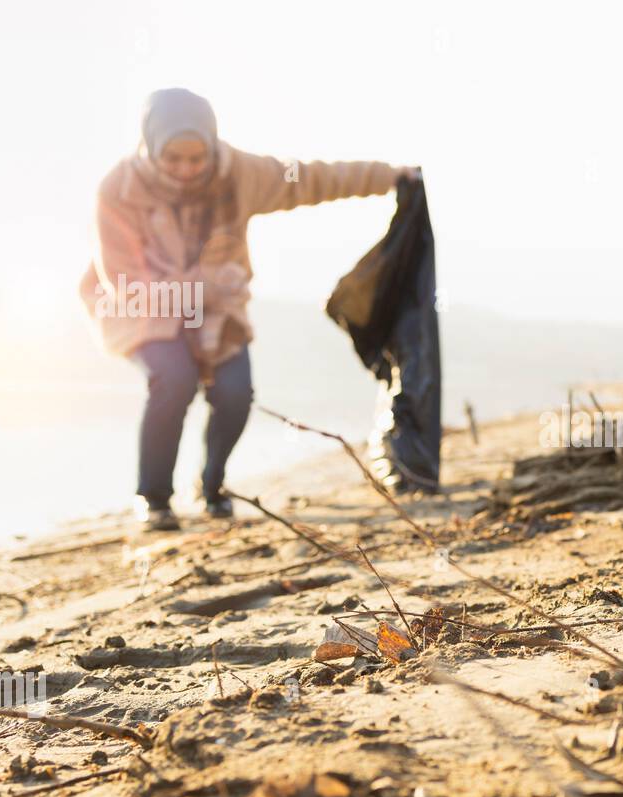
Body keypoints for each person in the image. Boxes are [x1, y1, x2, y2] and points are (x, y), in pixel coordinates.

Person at [81, 88, 418, 530]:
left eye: (196, 158)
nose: (186, 169)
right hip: (138, 308)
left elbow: (314, 178)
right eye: (173, 159)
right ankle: (154, 498)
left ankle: (213, 486)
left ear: (212, 144)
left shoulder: (240, 173)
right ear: (150, 146)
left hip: (218, 310)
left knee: (235, 393)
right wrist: (203, 285)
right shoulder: (118, 189)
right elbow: (124, 281)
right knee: (174, 380)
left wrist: (389, 176)